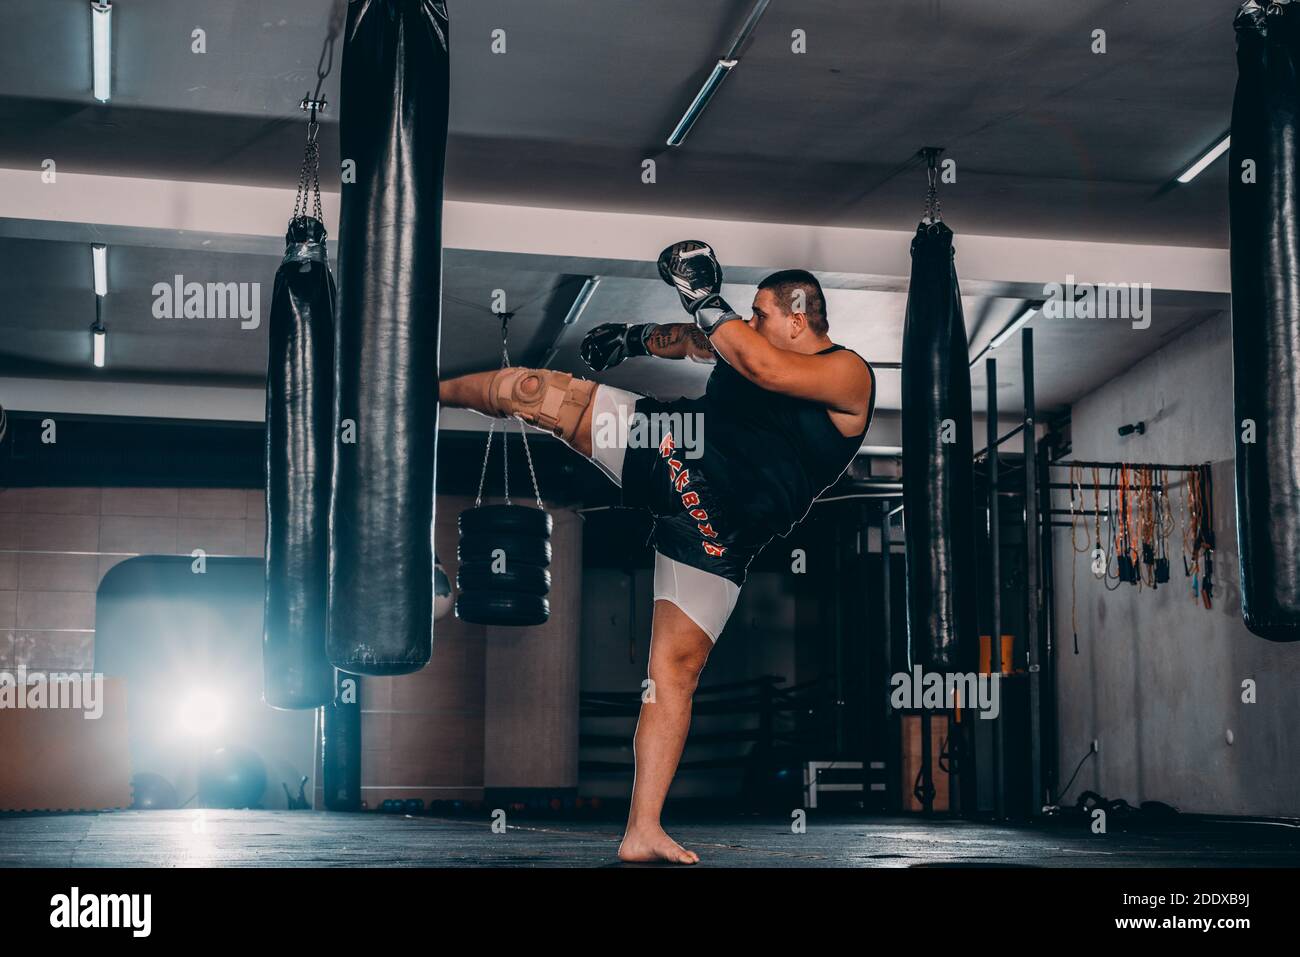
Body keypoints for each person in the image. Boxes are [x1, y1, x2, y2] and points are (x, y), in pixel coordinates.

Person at [438, 241, 875, 863]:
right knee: (533, 391)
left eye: (762, 313)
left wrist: (704, 297)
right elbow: (693, 340)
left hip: (718, 530)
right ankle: (414, 397)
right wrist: (637, 337)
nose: (751, 322)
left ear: (798, 316)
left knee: (673, 676)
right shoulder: (739, 343)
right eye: (747, 315)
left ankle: (642, 829)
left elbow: (764, 370)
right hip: (669, 447)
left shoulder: (847, 374)